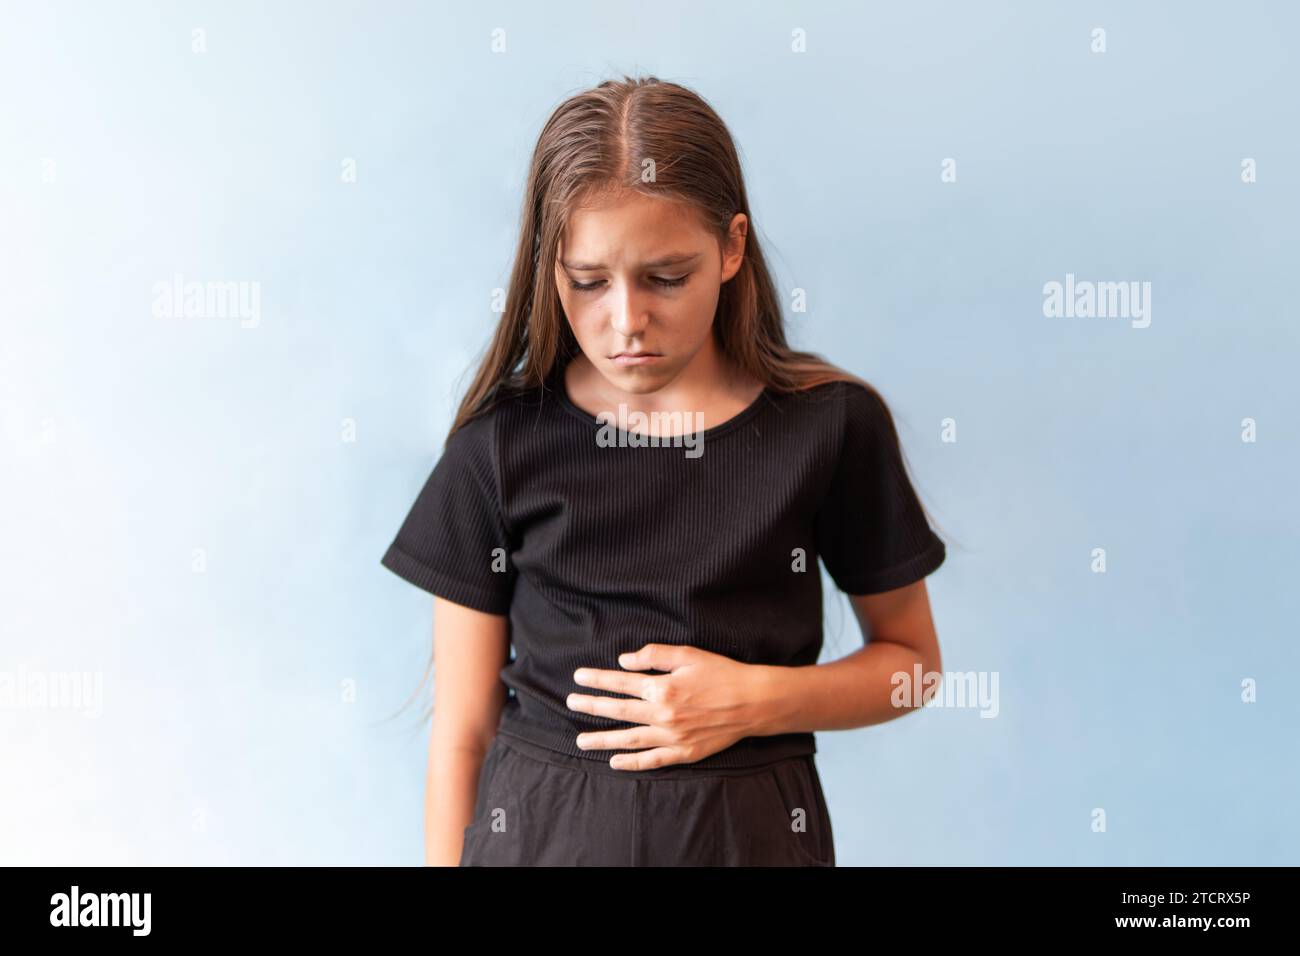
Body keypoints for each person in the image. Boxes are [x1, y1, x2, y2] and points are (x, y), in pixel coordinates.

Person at [380, 75, 947, 866]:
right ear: (551, 270)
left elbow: (913, 671)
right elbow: (464, 732)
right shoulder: (499, 448)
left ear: (732, 247)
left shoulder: (832, 427)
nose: (627, 321)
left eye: (666, 277)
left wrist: (756, 700)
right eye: (588, 282)